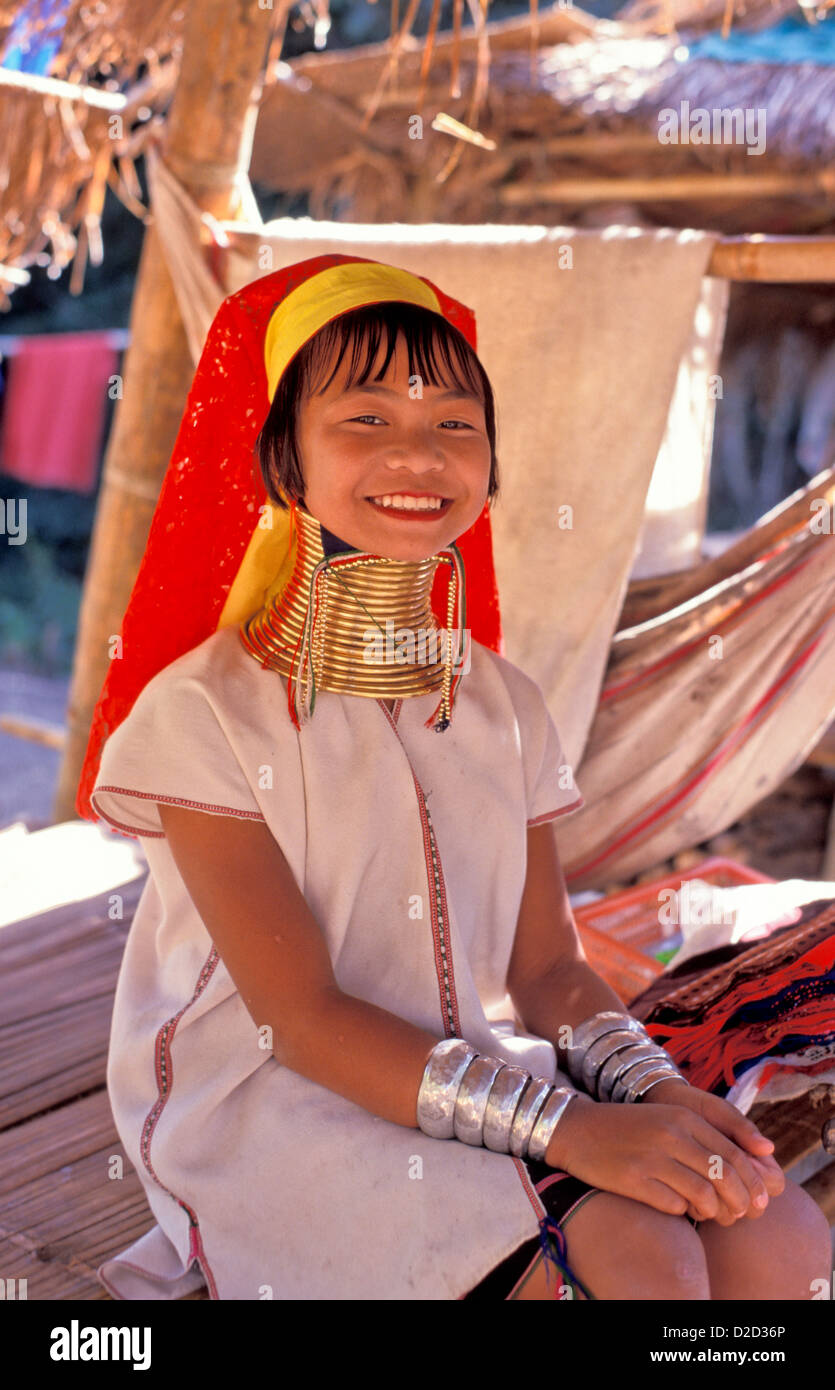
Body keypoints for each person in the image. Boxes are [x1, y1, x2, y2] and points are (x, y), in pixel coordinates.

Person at [80, 254, 831, 1301]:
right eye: (366, 419)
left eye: (453, 426)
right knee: (635, 1255)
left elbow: (548, 972)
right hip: (279, 1104)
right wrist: (578, 1131)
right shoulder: (203, 715)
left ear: (491, 469)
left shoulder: (504, 705)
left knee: (775, 1230)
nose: (418, 455)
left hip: (481, 1064)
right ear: (284, 465)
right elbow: (295, 1017)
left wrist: (659, 1096)